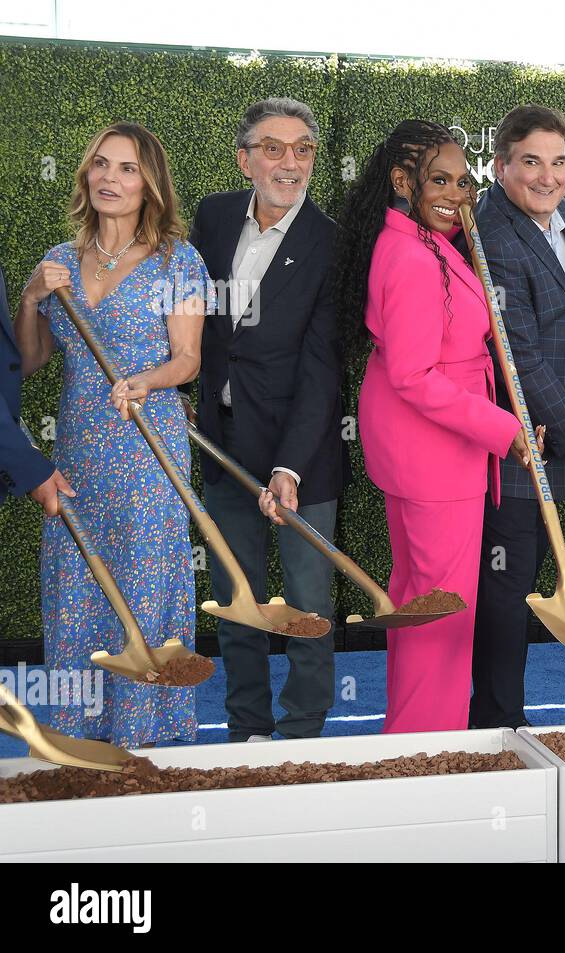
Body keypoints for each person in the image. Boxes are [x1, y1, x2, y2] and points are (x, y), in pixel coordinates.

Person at [15, 122, 207, 746]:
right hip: (78, 450)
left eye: (126, 169)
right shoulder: (59, 261)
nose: (110, 179)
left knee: (143, 589)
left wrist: (146, 381)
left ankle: (145, 740)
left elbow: (187, 360)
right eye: (101, 165)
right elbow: (32, 357)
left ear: (150, 183)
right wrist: (29, 297)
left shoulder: (180, 259)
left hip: (148, 449)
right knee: (77, 592)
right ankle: (79, 742)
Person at [335, 120, 526, 733]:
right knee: (441, 616)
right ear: (402, 181)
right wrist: (503, 428)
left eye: (462, 181)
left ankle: (411, 749)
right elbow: (416, 375)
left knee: (421, 606)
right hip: (437, 458)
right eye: (438, 180)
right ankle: (428, 755)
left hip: (426, 455)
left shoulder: (422, 242)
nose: (455, 193)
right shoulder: (414, 257)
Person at [190, 98, 348, 743]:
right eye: (274, 148)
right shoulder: (215, 216)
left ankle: (304, 733)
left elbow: (322, 368)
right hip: (223, 444)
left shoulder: (334, 244)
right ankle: (248, 729)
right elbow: (195, 321)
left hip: (302, 454)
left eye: (303, 149)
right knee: (237, 600)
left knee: (309, 603)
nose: (291, 162)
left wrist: (289, 466)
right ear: (244, 158)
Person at [470, 105, 565, 730]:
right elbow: (521, 356)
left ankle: (502, 716)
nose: (548, 176)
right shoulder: (495, 234)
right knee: (505, 592)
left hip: (554, 435)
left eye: (559, 163)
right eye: (531, 162)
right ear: (501, 165)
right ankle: (496, 728)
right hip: (516, 442)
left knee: (523, 578)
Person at [2, 262, 71, 513]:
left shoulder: (178, 259)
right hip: (76, 442)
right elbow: (28, 361)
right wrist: (27, 465)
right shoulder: (62, 258)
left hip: (150, 437)